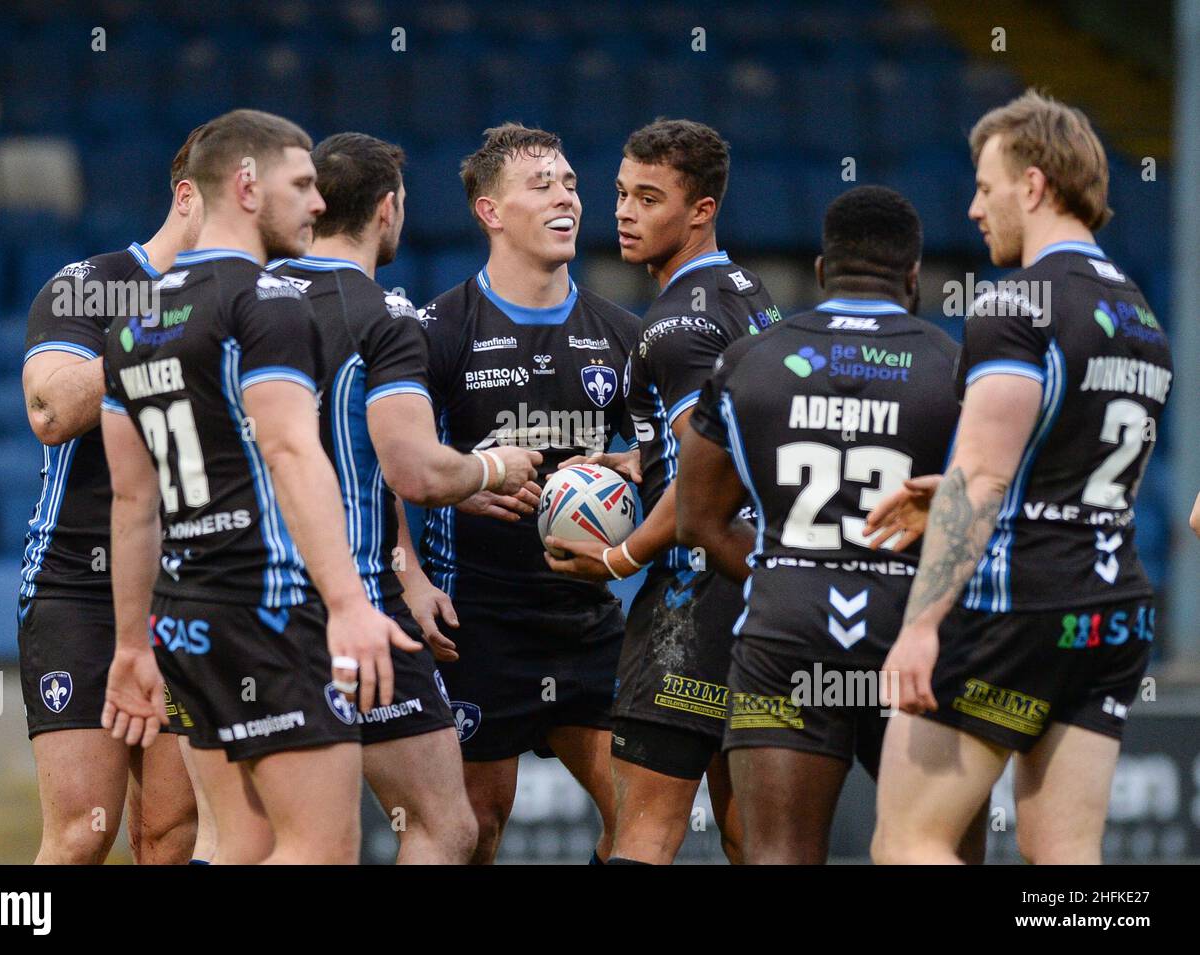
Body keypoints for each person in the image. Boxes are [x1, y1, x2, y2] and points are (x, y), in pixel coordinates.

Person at [101, 109, 418, 864]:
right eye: (302, 183)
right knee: (320, 846)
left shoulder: (131, 320)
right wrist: (347, 603)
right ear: (246, 184)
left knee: (238, 839)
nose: (317, 202)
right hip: (269, 604)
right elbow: (291, 450)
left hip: (182, 615)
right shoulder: (267, 301)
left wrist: (128, 644)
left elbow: (133, 501)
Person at [869, 91, 1172, 864]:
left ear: (1033, 185)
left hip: (1017, 606)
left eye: (985, 185)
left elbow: (981, 474)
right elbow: (1088, 472)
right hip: (1111, 613)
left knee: (909, 840)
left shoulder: (1016, 303)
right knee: (1065, 857)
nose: (974, 208)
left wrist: (920, 626)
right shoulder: (1141, 316)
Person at [675, 185, 972, 863]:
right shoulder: (957, 368)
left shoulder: (746, 361)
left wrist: (785, 575)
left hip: (787, 634)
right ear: (914, 275)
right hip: (915, 639)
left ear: (820, 269)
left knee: (777, 856)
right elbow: (989, 510)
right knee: (937, 849)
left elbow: (698, 520)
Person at [268, 132, 540, 862]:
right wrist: (492, 469)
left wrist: (410, 566)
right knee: (441, 823)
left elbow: (350, 461)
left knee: (240, 833)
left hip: (228, 595)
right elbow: (412, 470)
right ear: (387, 210)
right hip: (347, 601)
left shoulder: (238, 298)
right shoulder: (383, 317)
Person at [545, 119, 781, 864]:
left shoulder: (674, 325)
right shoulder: (748, 292)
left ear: (701, 210)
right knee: (752, 830)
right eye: (620, 194)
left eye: (649, 198)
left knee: (644, 826)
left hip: (691, 598)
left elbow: (697, 492)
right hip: (764, 592)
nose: (624, 212)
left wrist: (619, 558)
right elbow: (737, 449)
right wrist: (638, 460)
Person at [405, 123, 638, 863]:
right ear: (490, 212)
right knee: (477, 826)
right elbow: (376, 467)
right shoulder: (438, 331)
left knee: (640, 819)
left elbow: (671, 462)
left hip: (587, 619)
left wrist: (632, 472)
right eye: (541, 184)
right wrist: (410, 572)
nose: (566, 195)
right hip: (476, 625)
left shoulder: (624, 335)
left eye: (570, 182)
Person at [19, 127, 209, 864]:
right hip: (78, 584)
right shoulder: (93, 283)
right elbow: (50, 411)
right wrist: (163, 325)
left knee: (169, 832)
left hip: (188, 593)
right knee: (82, 832)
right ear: (189, 196)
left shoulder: (249, 305)